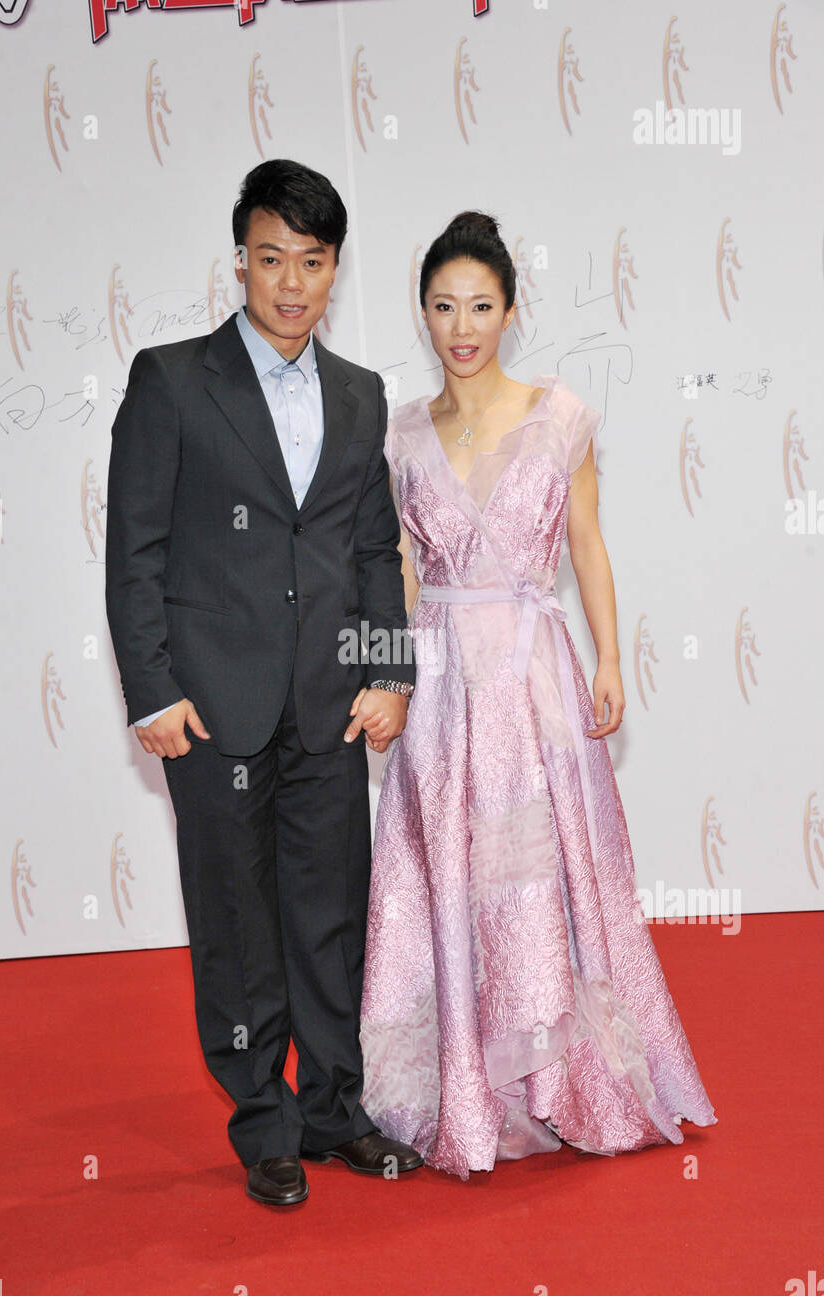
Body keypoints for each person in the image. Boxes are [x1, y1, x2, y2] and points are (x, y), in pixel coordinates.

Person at [359, 211, 717, 1179]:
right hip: (438, 683)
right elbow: (392, 568)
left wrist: (607, 654)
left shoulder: (559, 416)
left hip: (532, 672)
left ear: (509, 311)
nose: (461, 324)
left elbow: (587, 543)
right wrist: (388, 673)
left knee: (545, 880)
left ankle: (565, 1081)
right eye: (442, 305)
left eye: (480, 304)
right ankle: (464, 1088)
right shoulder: (395, 437)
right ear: (421, 313)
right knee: (449, 874)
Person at [105, 159, 422, 1206]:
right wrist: (151, 690)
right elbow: (135, 548)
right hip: (212, 709)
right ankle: (264, 1123)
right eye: (271, 257)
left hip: (331, 709)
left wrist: (388, 678)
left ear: (335, 270)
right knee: (238, 924)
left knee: (331, 914)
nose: (291, 281)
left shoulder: (360, 394)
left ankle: (337, 1108)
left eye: (313, 261)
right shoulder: (171, 380)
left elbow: (375, 549)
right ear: (238, 257)